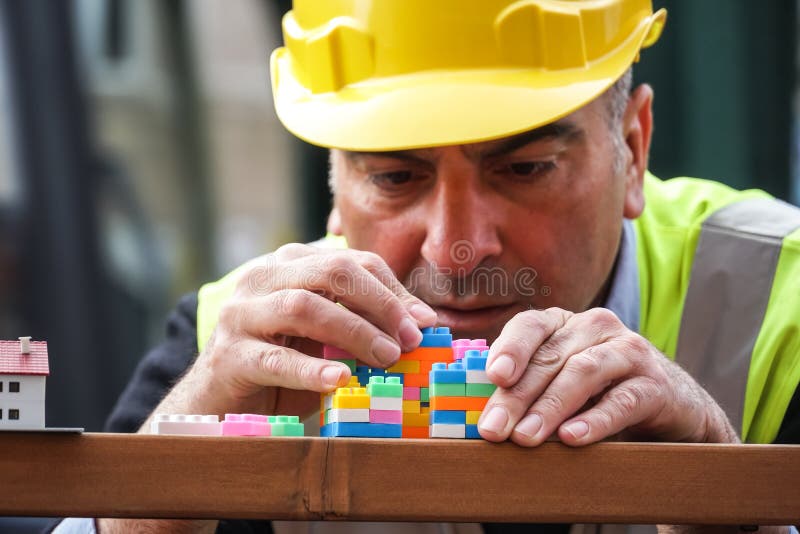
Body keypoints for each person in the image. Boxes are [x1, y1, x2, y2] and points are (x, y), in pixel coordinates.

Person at [57, 0, 800, 533]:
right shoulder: (244, 344)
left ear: (633, 151)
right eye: (394, 177)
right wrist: (155, 502)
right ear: (336, 192)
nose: (454, 248)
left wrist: (734, 501)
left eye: (524, 168)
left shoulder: (782, 304)